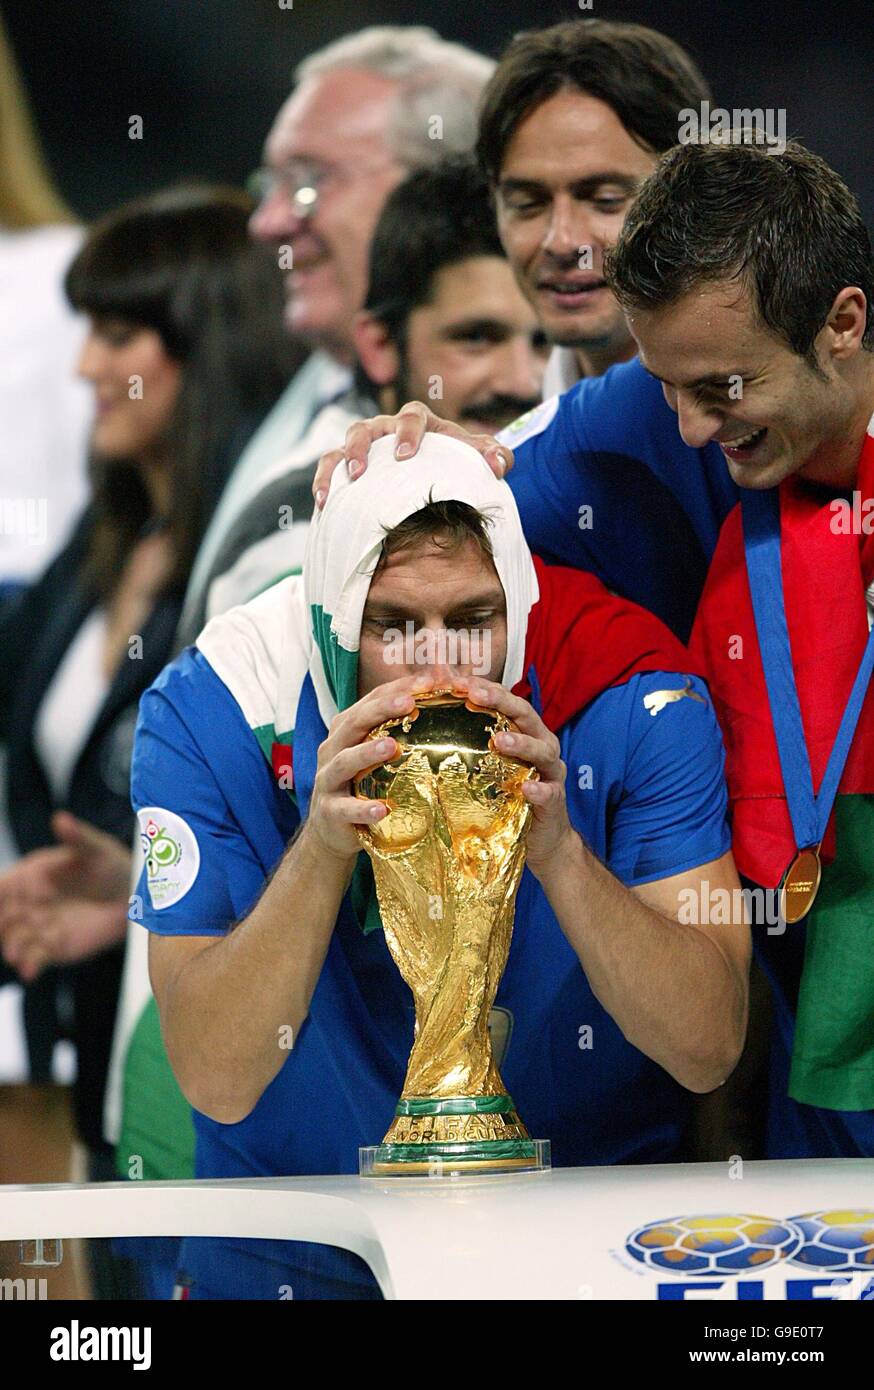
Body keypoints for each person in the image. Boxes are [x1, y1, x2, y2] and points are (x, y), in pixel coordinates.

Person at [318, 137, 874, 1162]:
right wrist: (406, 466)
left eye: (722, 389)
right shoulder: (681, 431)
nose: (694, 431)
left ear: (842, 324)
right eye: (667, 388)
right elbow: (468, 504)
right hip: (818, 1069)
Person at [131, 430, 748, 1300]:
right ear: (337, 624)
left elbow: (708, 1047)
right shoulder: (217, 706)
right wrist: (317, 849)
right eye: (392, 625)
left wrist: (564, 856)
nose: (438, 666)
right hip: (292, 1243)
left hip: (581, 1234)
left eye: (472, 622)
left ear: (518, 613)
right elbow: (217, 1076)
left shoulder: (631, 694)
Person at [0, 184, 295, 1295]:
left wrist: (137, 883)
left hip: (203, 1077)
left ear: (206, 343)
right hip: (82, 1052)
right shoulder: (102, 536)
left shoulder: (259, 563)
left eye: (118, 335)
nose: (84, 370)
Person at [175, 25, 494, 645]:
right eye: (268, 186)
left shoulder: (504, 421)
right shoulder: (281, 380)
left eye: (308, 181)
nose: (268, 222)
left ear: (438, 192)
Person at [198, 158, 548, 622]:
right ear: (380, 345)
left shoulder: (543, 484)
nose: (523, 381)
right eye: (477, 338)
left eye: (545, 344)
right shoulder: (299, 526)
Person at [476, 18, 711, 395]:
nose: (563, 242)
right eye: (528, 204)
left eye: (605, 201)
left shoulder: (775, 431)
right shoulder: (504, 428)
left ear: (695, 199)